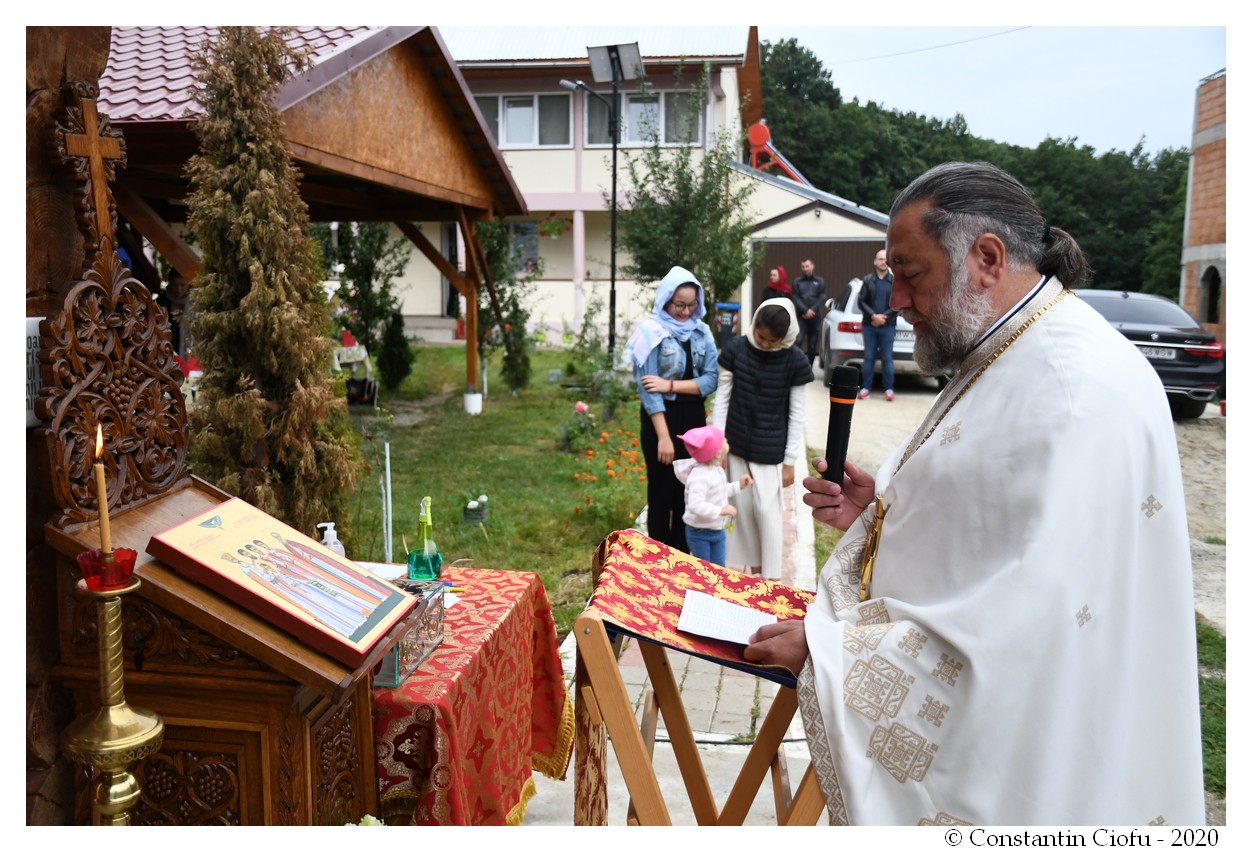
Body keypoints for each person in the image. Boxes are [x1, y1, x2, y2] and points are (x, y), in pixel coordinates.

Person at [743, 162, 1204, 825]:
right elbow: (999, 525)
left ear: (986, 258)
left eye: (911, 273)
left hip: (1044, 768)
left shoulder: (1073, 391)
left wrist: (830, 652)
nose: (896, 298)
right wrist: (878, 517)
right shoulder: (1015, 343)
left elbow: (1033, 616)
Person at [712, 298, 813, 579]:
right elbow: (722, 399)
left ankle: (769, 577)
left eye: (772, 340)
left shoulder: (795, 360)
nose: (765, 343)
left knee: (767, 513)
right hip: (736, 443)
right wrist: (719, 443)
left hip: (770, 450)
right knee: (740, 512)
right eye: (760, 336)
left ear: (785, 336)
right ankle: (747, 572)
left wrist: (791, 461)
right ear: (754, 324)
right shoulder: (735, 350)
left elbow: (797, 415)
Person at [627, 266, 719, 552]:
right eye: (679, 304)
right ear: (665, 299)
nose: (685, 311)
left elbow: (711, 379)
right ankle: (657, 558)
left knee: (689, 491)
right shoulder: (650, 332)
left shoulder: (702, 332)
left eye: (691, 305)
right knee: (661, 490)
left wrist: (670, 385)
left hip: (693, 420)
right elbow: (647, 390)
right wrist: (664, 437)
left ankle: (682, 556)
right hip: (660, 420)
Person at [672, 425, 752, 567]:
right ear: (717, 453)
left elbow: (720, 490)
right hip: (699, 532)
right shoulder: (700, 476)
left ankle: (714, 589)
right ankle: (701, 589)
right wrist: (719, 511)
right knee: (704, 570)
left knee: (719, 568)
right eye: (724, 441)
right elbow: (695, 504)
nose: (727, 440)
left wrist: (738, 486)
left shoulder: (715, 469)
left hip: (717, 530)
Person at [856, 249, 898, 401]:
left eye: (885, 259)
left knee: (887, 358)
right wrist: (873, 316)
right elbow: (861, 301)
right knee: (869, 357)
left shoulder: (895, 281)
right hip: (869, 325)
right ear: (875, 261)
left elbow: (897, 304)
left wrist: (884, 318)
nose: (883, 262)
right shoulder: (867, 280)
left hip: (888, 326)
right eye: (880, 259)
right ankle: (866, 388)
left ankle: (889, 390)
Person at [792, 258, 826, 364]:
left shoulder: (820, 281)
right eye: (803, 267)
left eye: (807, 266)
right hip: (801, 317)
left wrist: (812, 310)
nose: (805, 269)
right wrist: (805, 310)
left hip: (815, 317)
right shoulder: (797, 282)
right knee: (798, 340)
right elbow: (796, 297)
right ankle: (795, 365)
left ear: (812, 266)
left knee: (812, 344)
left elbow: (821, 297)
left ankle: (809, 367)